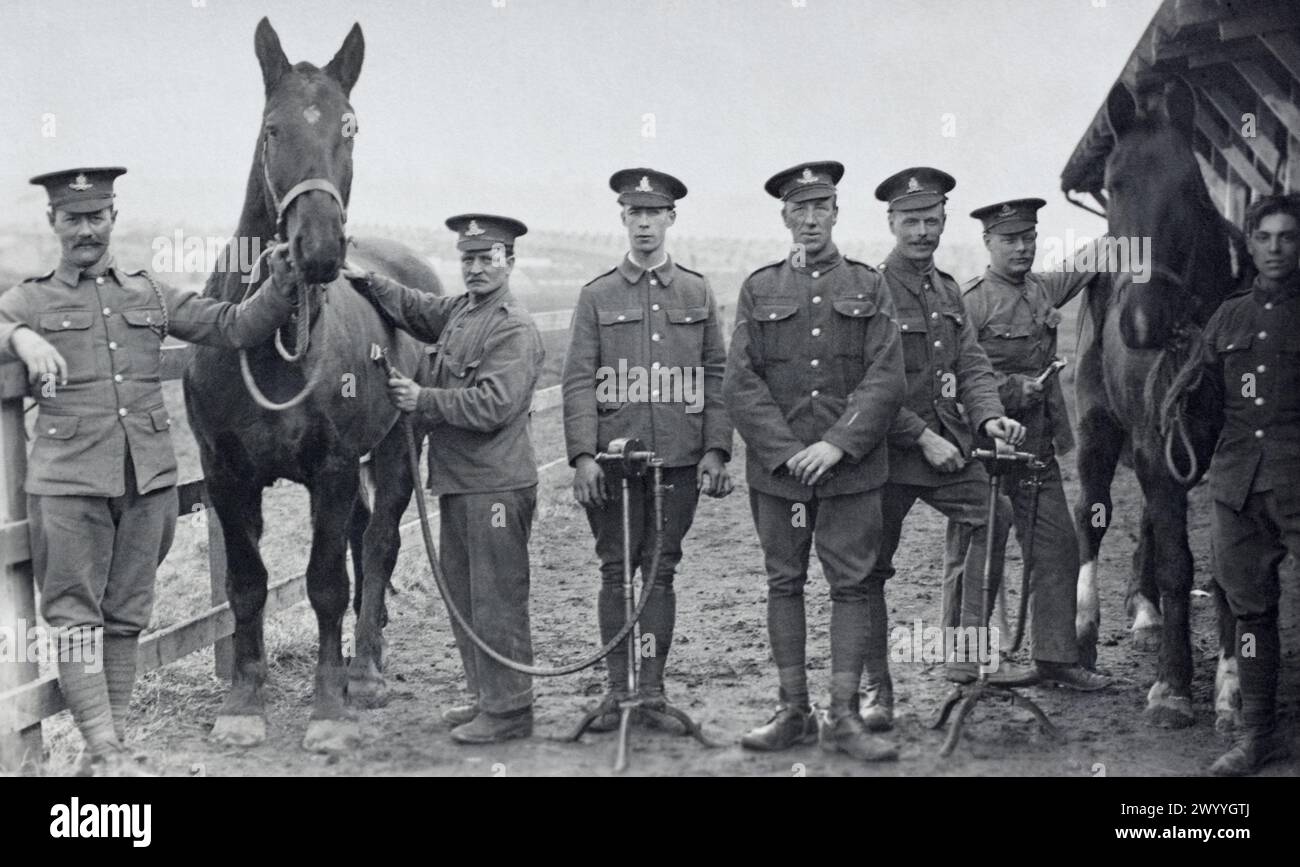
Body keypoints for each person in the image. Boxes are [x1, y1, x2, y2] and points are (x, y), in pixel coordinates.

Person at [0, 166, 298, 775]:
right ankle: (108, 749)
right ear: (52, 222)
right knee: (75, 616)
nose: (86, 229)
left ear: (115, 217)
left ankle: (101, 753)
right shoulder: (28, 299)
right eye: (73, 218)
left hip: (146, 484)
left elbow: (231, 324)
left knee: (127, 615)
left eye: (97, 216)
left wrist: (282, 285)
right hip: (68, 487)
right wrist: (22, 340)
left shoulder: (149, 294)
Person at [724, 161, 905, 761]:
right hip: (780, 477)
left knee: (852, 587)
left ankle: (845, 717)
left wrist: (836, 444)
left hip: (851, 470)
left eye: (819, 207)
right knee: (785, 583)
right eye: (798, 208)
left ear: (835, 212)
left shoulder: (869, 284)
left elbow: (886, 377)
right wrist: (785, 452)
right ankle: (793, 710)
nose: (809, 218)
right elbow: (741, 383)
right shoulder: (760, 287)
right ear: (784, 216)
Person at [343, 214, 544, 745]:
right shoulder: (461, 312)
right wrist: (363, 280)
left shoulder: (511, 327)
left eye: (488, 259)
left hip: (496, 487)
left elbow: (495, 405)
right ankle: (486, 696)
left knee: (496, 598)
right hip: (460, 484)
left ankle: (510, 709)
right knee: (467, 595)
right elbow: (414, 307)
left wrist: (422, 399)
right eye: (469, 260)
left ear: (509, 263)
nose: (476, 269)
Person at [861, 167, 1031, 734]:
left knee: (992, 514)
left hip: (947, 450)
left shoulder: (947, 289)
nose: (922, 232)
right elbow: (865, 382)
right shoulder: (870, 287)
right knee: (866, 572)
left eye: (932, 221)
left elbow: (971, 364)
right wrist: (920, 436)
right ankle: (875, 690)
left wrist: (991, 416)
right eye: (911, 221)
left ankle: (963, 652)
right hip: (885, 454)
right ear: (891, 222)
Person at [562, 168, 732, 731]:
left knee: (660, 572)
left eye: (653, 214)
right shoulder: (597, 295)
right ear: (623, 220)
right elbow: (580, 380)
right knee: (616, 572)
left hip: (679, 461)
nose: (643, 224)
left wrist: (716, 449)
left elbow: (716, 374)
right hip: (613, 464)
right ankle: (616, 693)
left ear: (670, 219)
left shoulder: (696, 290)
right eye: (634, 214)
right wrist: (583, 457)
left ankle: (652, 693)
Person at [1165, 194, 1300, 775]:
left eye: (1287, 237)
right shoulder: (1228, 317)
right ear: (1249, 243)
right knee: (1250, 614)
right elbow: (1206, 406)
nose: (1274, 248)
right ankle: (1258, 734)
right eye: (1264, 237)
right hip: (1237, 486)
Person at [957, 198, 1109, 690]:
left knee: (1059, 548)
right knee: (982, 556)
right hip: (987, 457)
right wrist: (1011, 390)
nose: (1022, 248)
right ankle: (966, 663)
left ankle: (1054, 659)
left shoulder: (1043, 289)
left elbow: (1090, 260)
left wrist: (1130, 223)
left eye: (1028, 238)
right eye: (1010, 240)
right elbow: (950, 381)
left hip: (1038, 453)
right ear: (988, 243)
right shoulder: (970, 303)